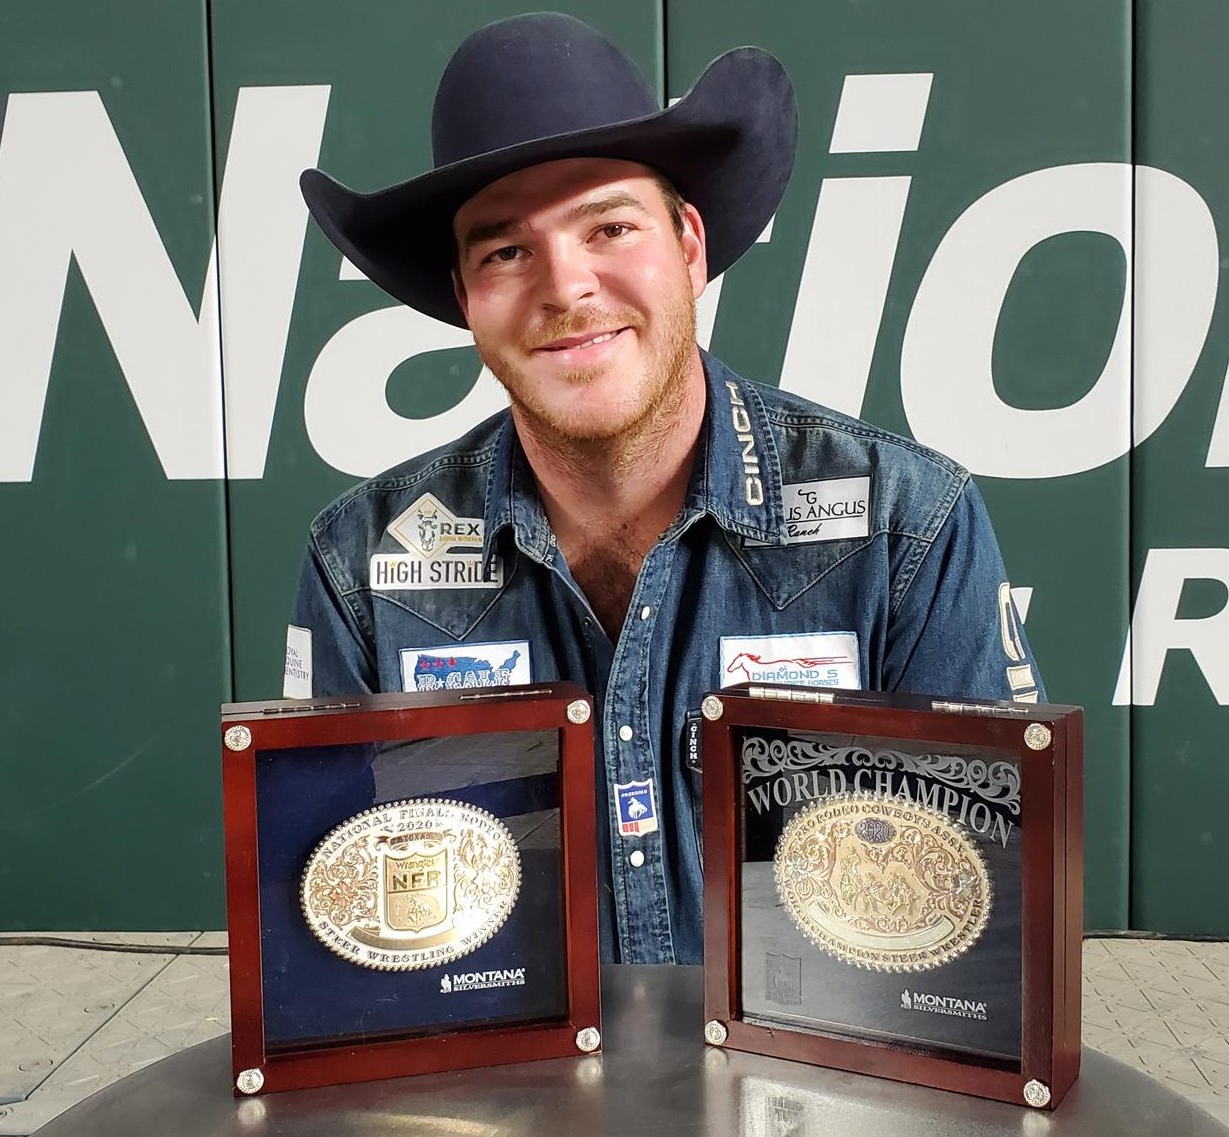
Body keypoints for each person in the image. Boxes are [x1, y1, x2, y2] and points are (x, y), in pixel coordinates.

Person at [289, 12, 1042, 964]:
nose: (566, 287)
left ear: (687, 244)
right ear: (466, 296)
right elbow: (332, 941)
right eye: (505, 252)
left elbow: (990, 927)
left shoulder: (908, 523)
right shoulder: (364, 563)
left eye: (609, 224)